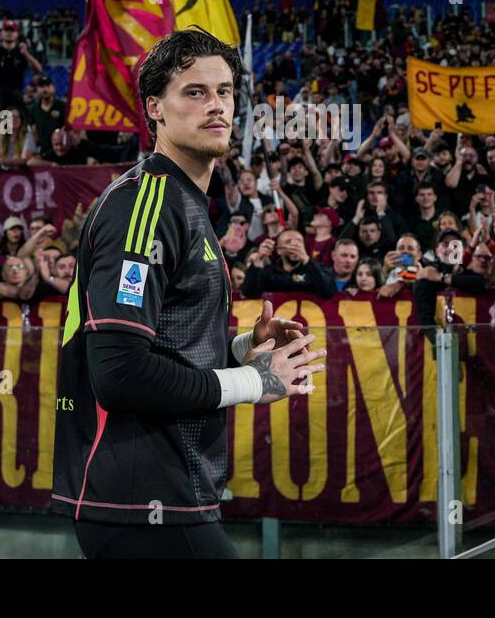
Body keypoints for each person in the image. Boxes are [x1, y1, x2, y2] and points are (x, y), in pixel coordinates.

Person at [54, 27, 324, 559]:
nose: (216, 105)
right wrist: (254, 381)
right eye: (195, 92)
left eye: (224, 91)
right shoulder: (146, 203)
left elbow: (164, 348)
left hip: (165, 497)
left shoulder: (184, 202)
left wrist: (243, 350)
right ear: (154, 108)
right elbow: (121, 374)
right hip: (140, 502)